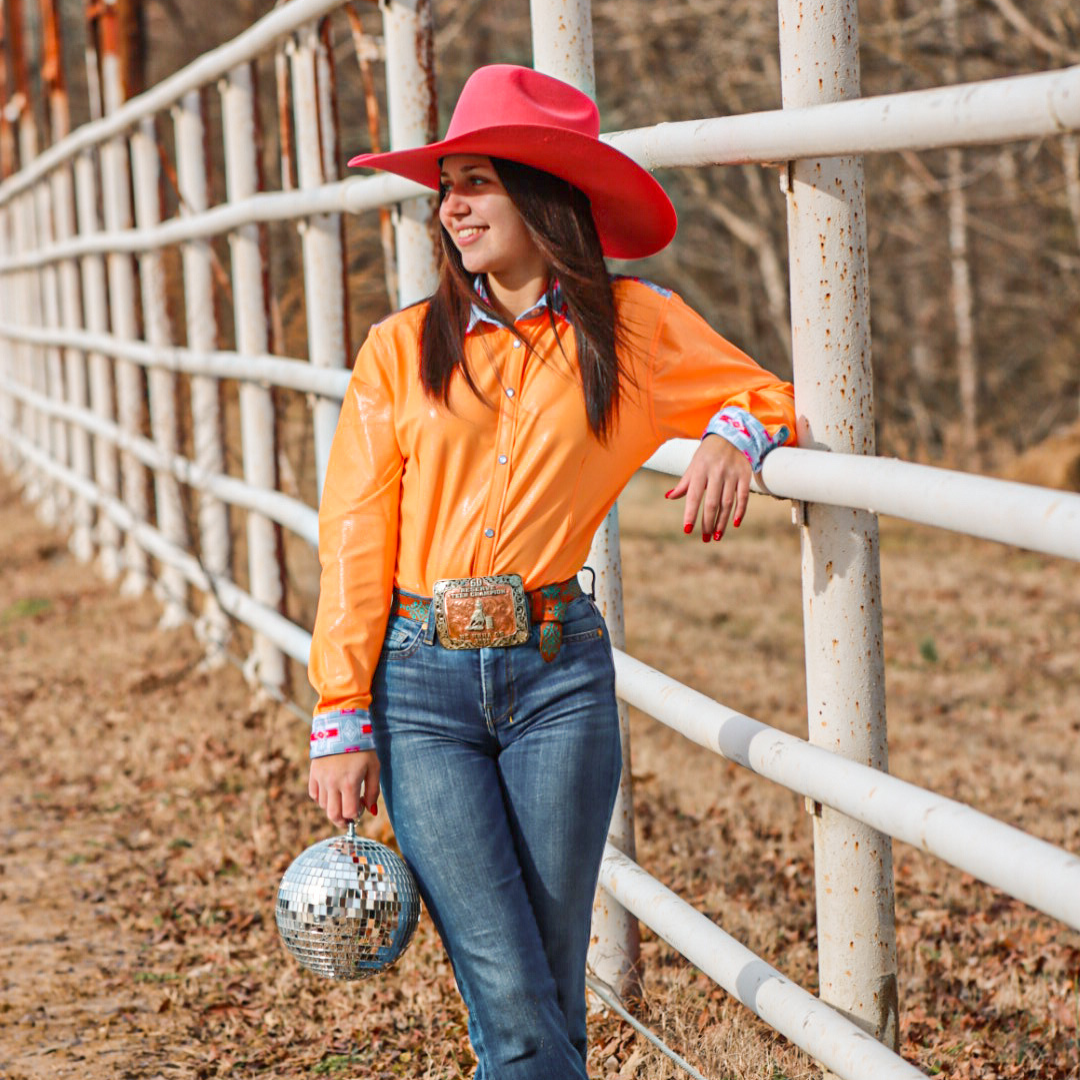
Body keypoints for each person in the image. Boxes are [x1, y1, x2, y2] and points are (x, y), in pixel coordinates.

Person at [306, 64, 795, 1080]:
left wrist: (733, 437)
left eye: (477, 181)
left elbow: (769, 390)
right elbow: (354, 533)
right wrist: (340, 709)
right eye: (447, 186)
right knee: (518, 1007)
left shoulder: (638, 332)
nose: (452, 206)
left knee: (547, 993)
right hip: (419, 684)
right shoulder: (403, 350)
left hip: (558, 679)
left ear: (542, 195)